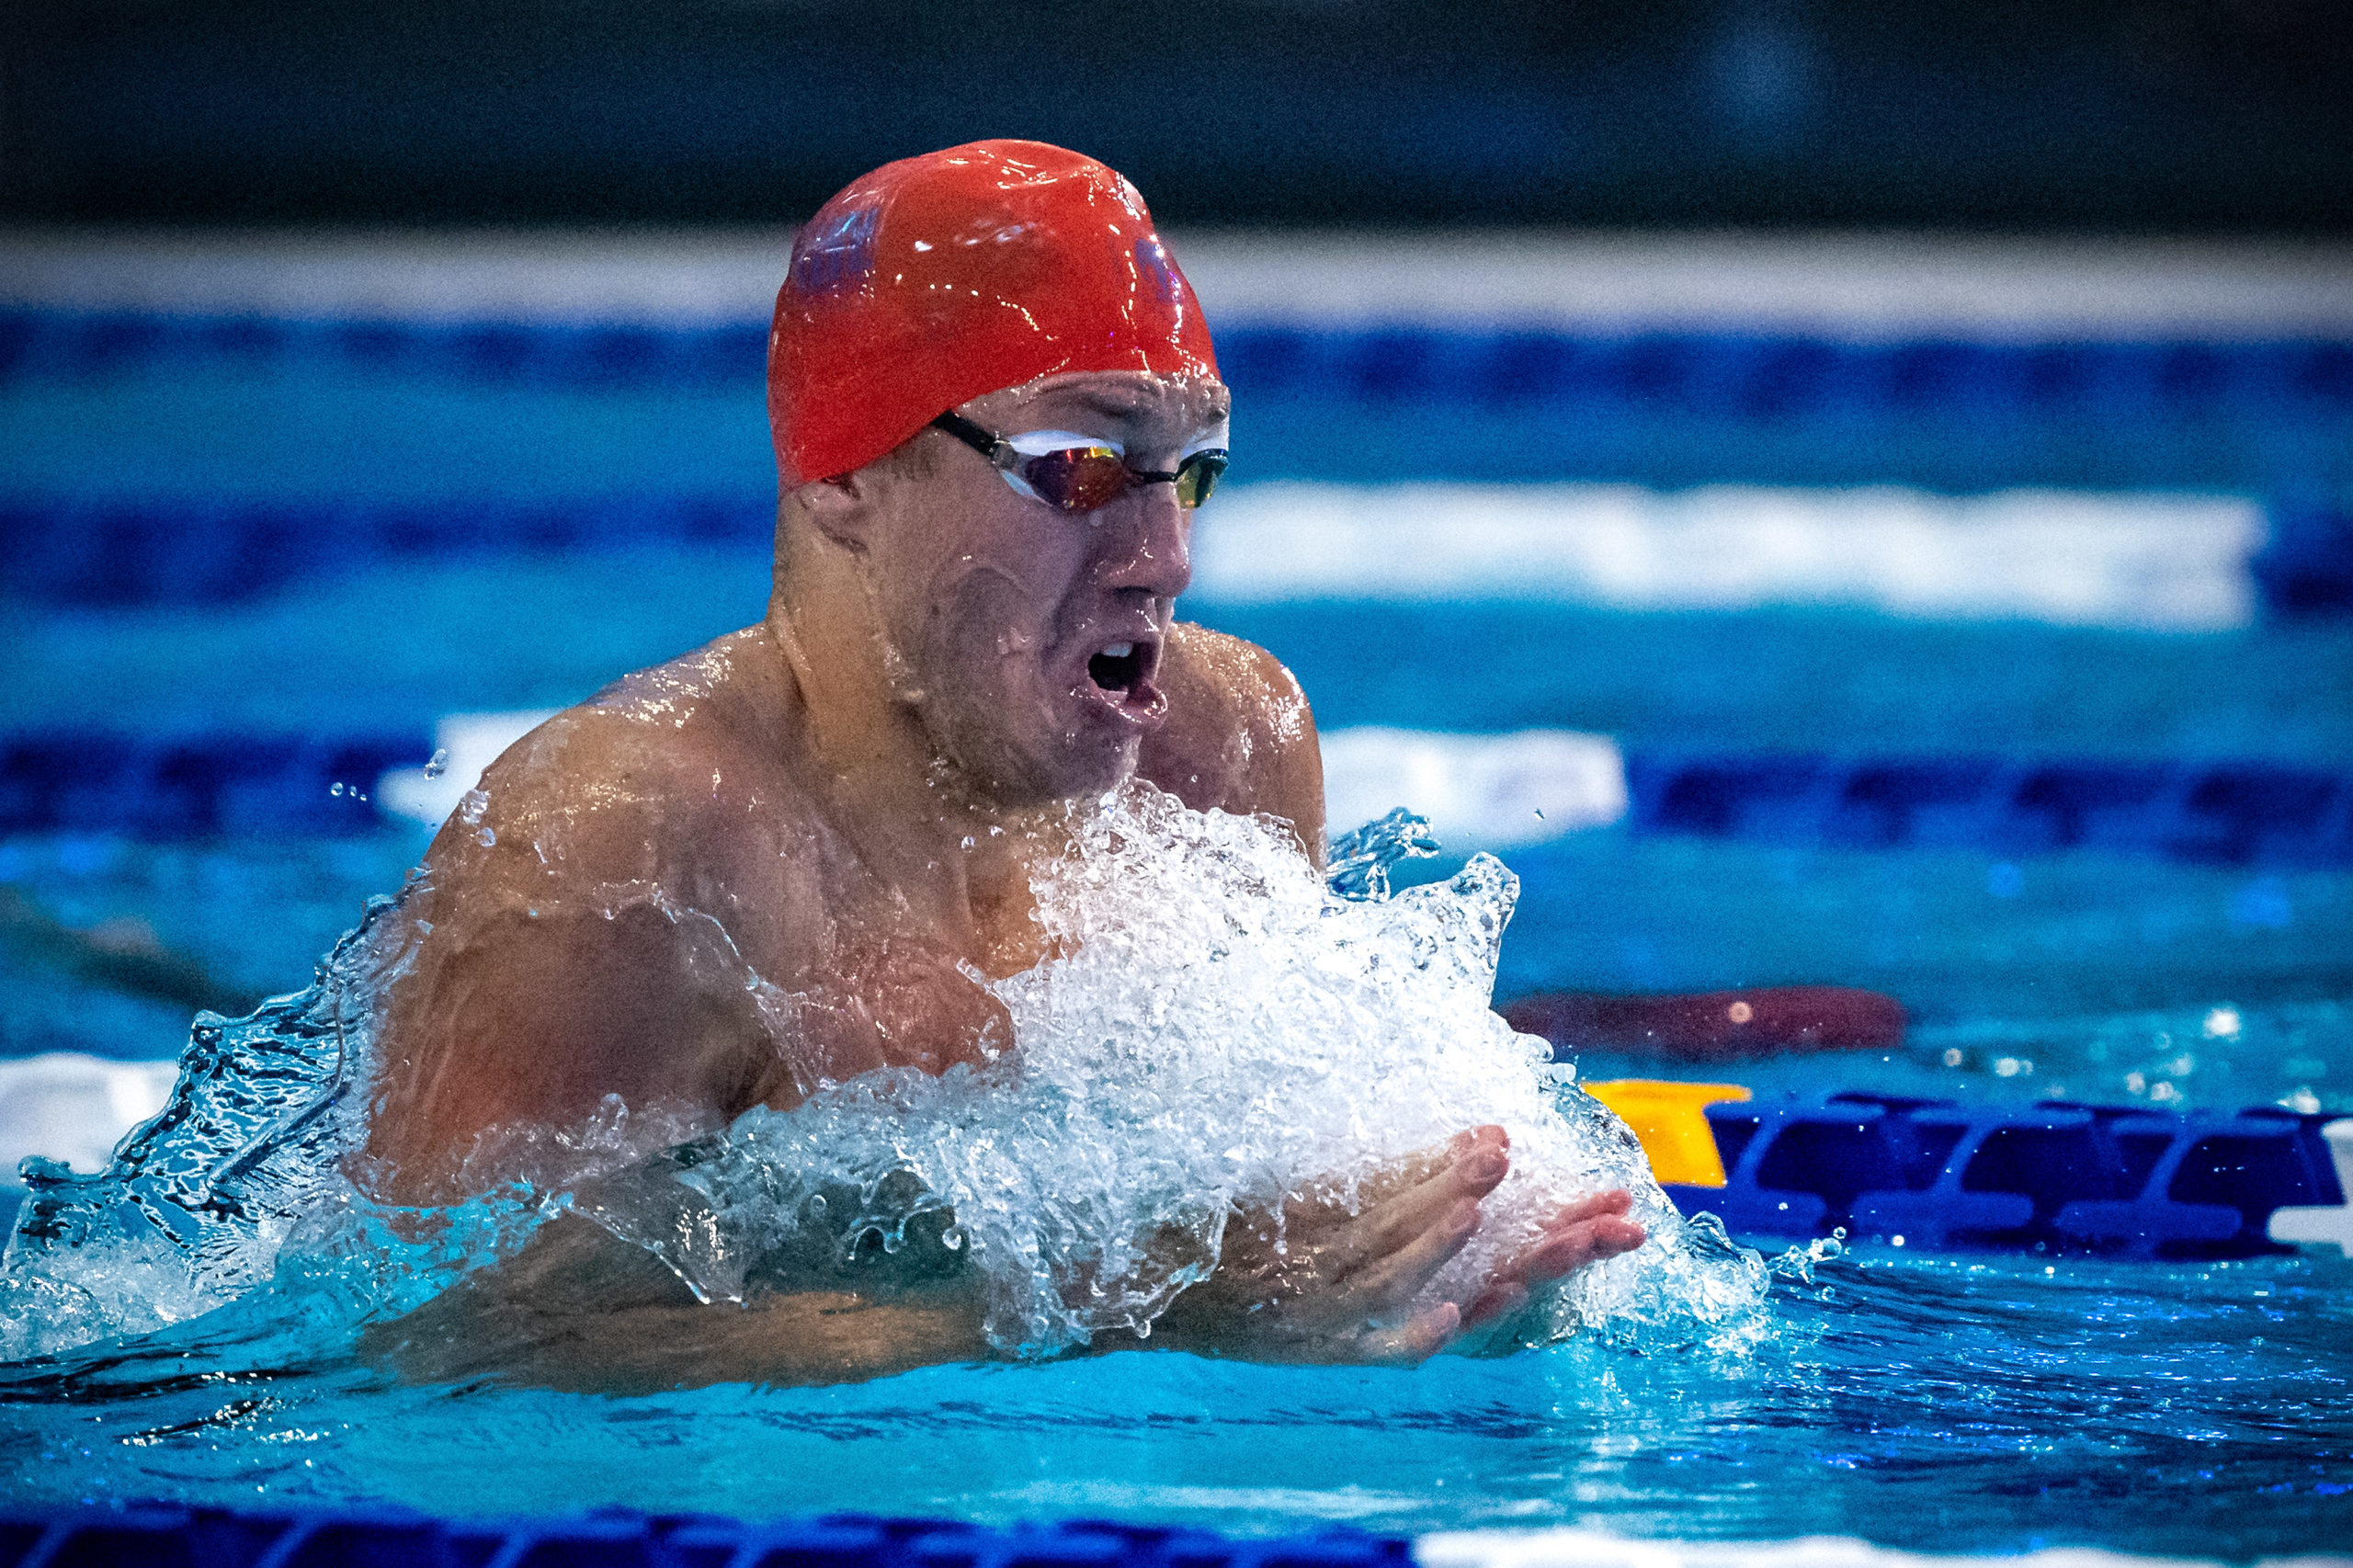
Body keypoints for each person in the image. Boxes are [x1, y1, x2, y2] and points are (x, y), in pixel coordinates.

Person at [358, 141, 1645, 1392]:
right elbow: (456, 1347)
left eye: (1189, 471)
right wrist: (1141, 1308)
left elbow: (1291, 1243)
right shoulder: (620, 855)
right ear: (848, 475)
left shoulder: (1223, 749)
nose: (1165, 557)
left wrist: (1452, 1269)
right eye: (1081, 467)